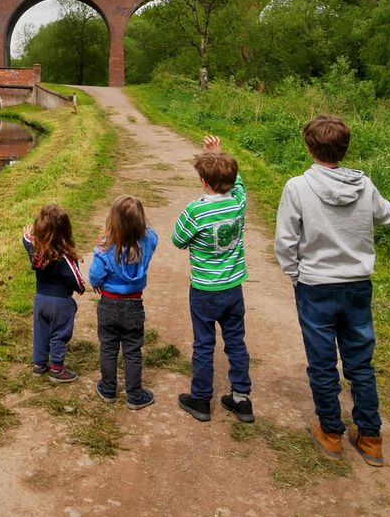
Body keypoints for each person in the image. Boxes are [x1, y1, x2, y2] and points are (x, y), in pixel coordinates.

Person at [275, 114, 390, 466]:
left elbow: (286, 241)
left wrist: (295, 274)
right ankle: (370, 436)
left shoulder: (297, 187)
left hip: (316, 286)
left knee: (322, 361)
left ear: (309, 147)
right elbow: (387, 216)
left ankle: (330, 432)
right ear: (345, 148)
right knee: (360, 361)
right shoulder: (364, 185)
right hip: (357, 285)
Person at [173, 135, 254, 423]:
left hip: (205, 289)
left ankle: (201, 399)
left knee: (204, 344)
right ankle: (241, 399)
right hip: (233, 288)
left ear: (204, 181)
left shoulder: (197, 210)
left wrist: (212, 158)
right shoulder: (238, 203)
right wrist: (219, 155)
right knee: (236, 342)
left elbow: (178, 240)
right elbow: (240, 186)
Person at [88, 195, 158, 410]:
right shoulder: (147, 241)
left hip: (109, 304)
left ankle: (108, 390)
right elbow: (152, 235)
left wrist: (102, 246)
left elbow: (94, 277)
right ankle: (135, 395)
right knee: (132, 349)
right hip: (134, 305)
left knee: (108, 347)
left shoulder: (105, 249)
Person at [22, 203, 87, 383]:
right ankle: (57, 369)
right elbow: (77, 279)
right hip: (60, 303)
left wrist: (29, 233)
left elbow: (26, 239)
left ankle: (39, 365)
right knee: (59, 334)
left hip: (40, 300)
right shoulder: (65, 257)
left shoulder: (35, 249)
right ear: (66, 231)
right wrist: (81, 288)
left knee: (41, 332)